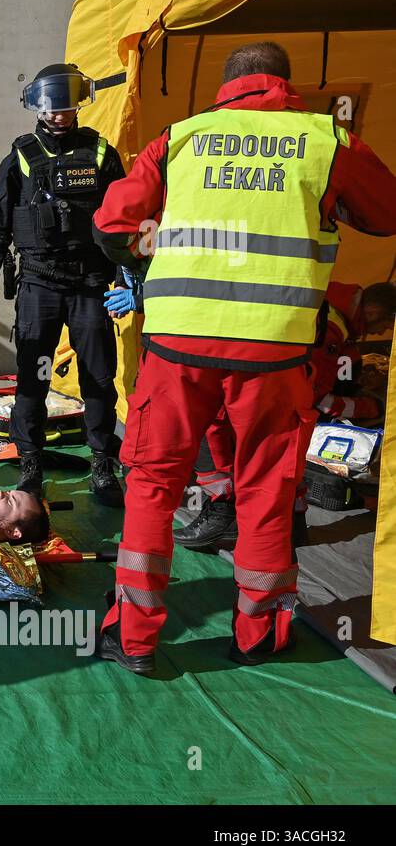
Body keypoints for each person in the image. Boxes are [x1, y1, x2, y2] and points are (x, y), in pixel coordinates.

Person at [90, 41, 396, 674]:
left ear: (227, 86)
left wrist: (157, 250)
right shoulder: (325, 139)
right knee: (267, 490)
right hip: (276, 352)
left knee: (153, 484)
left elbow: (112, 225)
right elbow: (387, 214)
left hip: (178, 345)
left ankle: (135, 637)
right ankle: (261, 632)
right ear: (286, 84)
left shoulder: (180, 138)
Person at [0, 63, 127, 504]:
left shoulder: (101, 154)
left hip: (91, 284)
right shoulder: (20, 157)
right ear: (39, 107)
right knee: (32, 379)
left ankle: (102, 463)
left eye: (68, 104)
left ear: (79, 102)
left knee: (99, 377)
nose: (61, 113)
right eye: (53, 106)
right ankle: (30, 465)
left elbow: (123, 225)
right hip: (39, 284)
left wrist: (126, 282)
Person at [177, 280, 396, 549]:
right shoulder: (331, 330)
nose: (384, 331)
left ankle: (277, 525)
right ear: (372, 311)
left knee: (270, 458)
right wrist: (372, 408)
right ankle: (229, 516)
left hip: (261, 389)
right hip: (266, 397)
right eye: (386, 324)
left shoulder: (328, 312)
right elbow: (319, 398)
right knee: (223, 445)